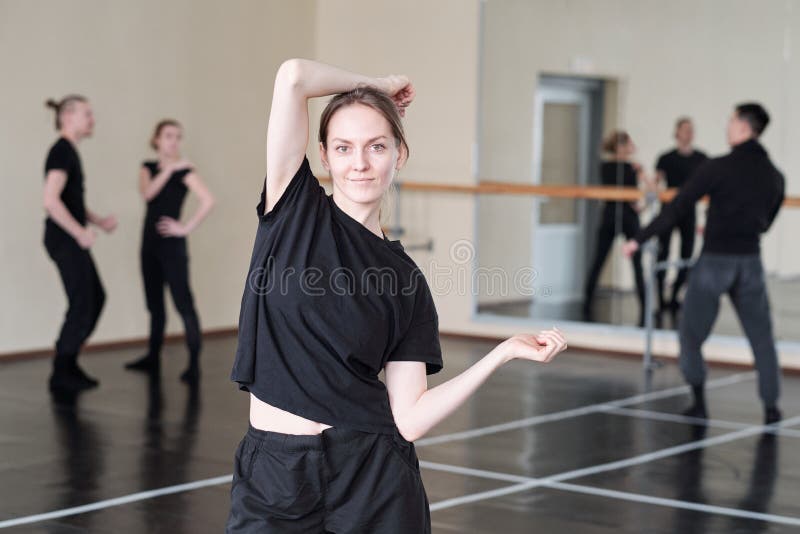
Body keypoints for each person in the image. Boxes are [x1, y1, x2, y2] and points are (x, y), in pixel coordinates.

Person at [226, 58, 568, 533]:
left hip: (371, 477)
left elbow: (409, 420)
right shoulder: (293, 209)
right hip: (275, 475)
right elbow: (292, 77)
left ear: (399, 154)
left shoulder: (406, 282)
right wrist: (378, 86)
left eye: (377, 146)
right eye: (344, 147)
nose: (360, 162)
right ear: (323, 155)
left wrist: (502, 354)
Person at [623, 102, 785, 425]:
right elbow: (766, 221)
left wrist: (639, 238)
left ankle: (698, 402)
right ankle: (771, 408)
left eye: (730, 120)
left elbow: (679, 207)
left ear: (743, 127)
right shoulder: (774, 175)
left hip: (714, 263)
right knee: (762, 339)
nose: (727, 125)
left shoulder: (718, 167)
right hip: (750, 262)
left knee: (691, 335)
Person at [124, 120, 215, 383]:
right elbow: (148, 194)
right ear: (156, 140)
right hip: (149, 245)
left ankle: (194, 364)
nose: (173, 142)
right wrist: (169, 168)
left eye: (177, 137)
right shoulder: (148, 167)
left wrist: (185, 228)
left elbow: (209, 200)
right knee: (155, 305)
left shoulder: (185, 171)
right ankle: (152, 357)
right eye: (168, 136)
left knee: (183, 302)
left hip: (172, 247)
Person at [43, 95, 117, 394]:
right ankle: (61, 371)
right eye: (87, 114)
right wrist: (79, 233)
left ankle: (69, 362)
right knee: (83, 302)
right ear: (68, 116)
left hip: (69, 237)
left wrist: (96, 221)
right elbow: (50, 200)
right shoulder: (61, 151)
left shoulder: (69, 151)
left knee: (94, 298)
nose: (92, 120)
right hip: (63, 239)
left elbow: (69, 200)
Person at [582, 130, 649, 327]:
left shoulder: (621, 167)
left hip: (623, 215)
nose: (631, 147)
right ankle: (588, 303)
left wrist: (640, 172)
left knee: (627, 262)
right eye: (628, 144)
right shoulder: (615, 167)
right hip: (617, 216)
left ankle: (588, 303)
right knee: (605, 260)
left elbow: (640, 194)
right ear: (620, 147)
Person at [653, 117, 708, 321]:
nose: (688, 133)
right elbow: (656, 183)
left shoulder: (701, 158)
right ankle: (660, 297)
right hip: (668, 210)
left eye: (691, 130)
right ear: (677, 133)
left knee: (687, 255)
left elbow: (709, 184)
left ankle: (676, 295)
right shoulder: (666, 158)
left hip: (689, 212)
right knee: (663, 253)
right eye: (685, 130)